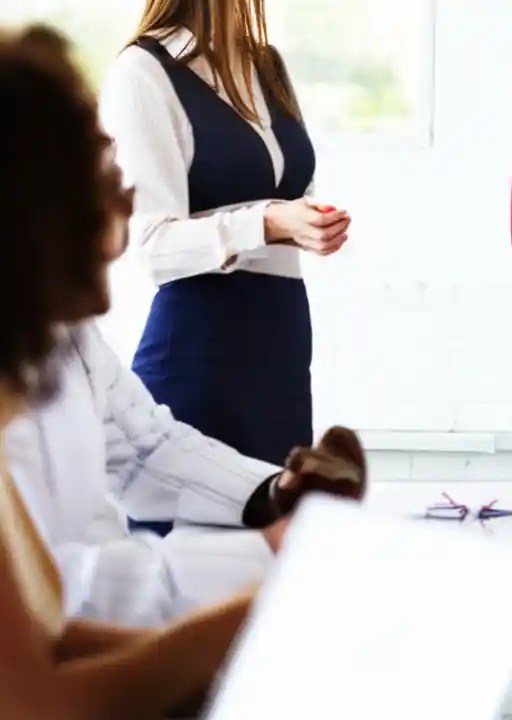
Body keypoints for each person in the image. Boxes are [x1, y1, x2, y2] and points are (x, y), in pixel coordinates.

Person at [0, 26, 253, 717]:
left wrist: (244, 634)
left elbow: (46, 644)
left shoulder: (32, 367)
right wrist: (252, 614)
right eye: (104, 183)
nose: (125, 211)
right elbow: (39, 703)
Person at [98, 0, 352, 482]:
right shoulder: (143, 72)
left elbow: (286, 191)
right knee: (186, 542)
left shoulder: (267, 65)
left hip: (282, 350)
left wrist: (307, 223)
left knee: (277, 534)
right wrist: (269, 222)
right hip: (201, 355)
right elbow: (151, 245)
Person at [3, 319, 368, 627]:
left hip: (109, 638)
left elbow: (145, 447)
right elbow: (40, 595)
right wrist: (263, 552)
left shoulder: (65, 325)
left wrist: (274, 494)